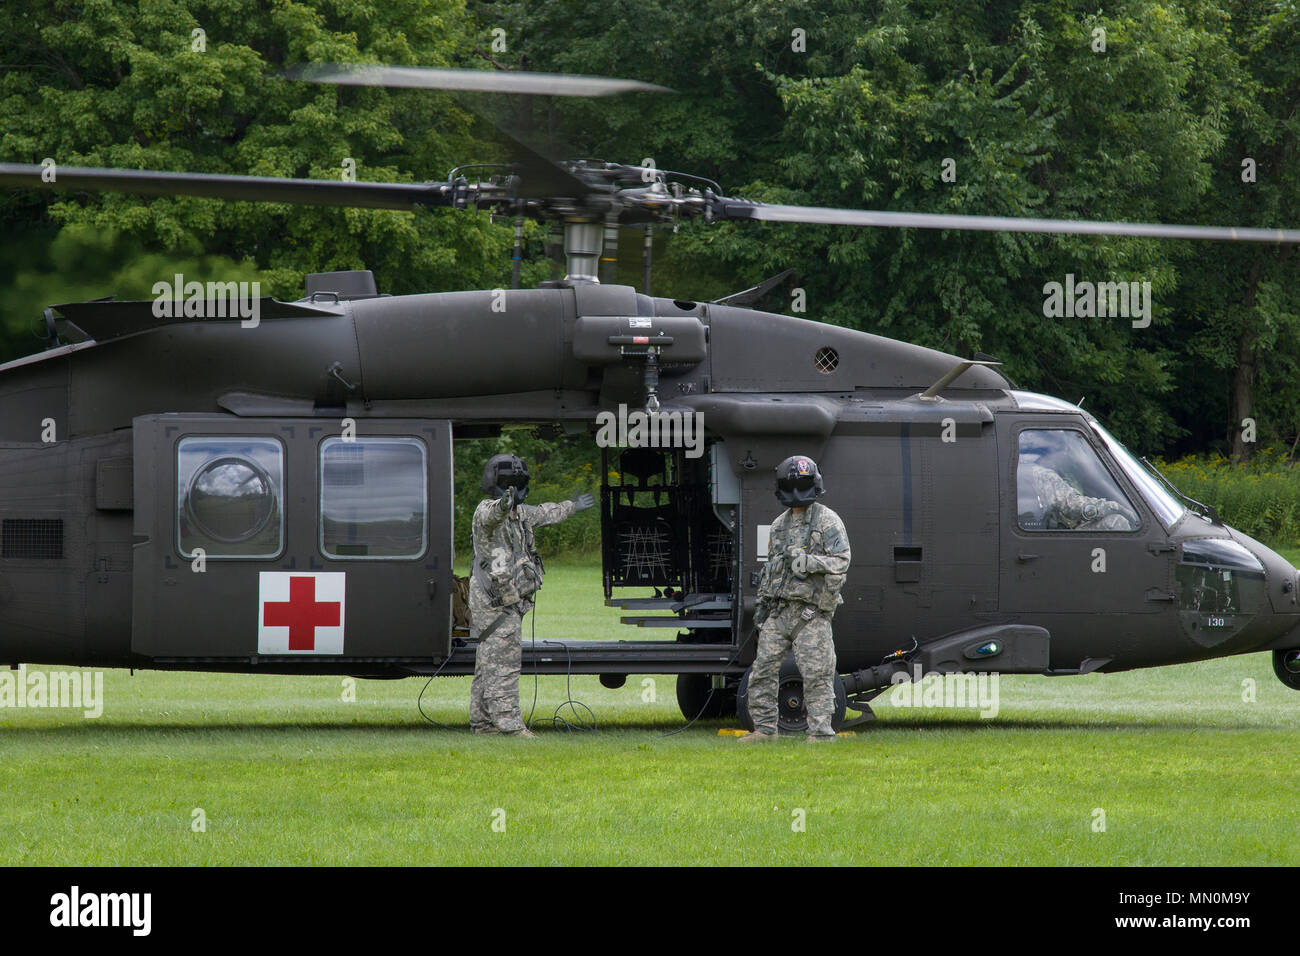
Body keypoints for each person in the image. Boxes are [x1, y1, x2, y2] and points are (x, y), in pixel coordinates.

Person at [468, 454, 594, 737]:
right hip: (496, 601)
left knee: (488, 661)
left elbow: (548, 512)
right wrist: (504, 503)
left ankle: (483, 723)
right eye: (508, 485)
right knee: (504, 664)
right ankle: (510, 725)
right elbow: (493, 514)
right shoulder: (485, 511)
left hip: (509, 600)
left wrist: (572, 506)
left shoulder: (522, 514)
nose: (515, 491)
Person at [739, 455, 851, 743]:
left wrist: (809, 563)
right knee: (762, 671)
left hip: (810, 613)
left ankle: (821, 732)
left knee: (817, 673)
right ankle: (764, 730)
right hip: (779, 611)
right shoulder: (779, 525)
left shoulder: (828, 521)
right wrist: (763, 610)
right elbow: (772, 569)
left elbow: (841, 562)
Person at [1021, 462, 1138, 531]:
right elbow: (1073, 507)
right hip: (1052, 539)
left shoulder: (1020, 471)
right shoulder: (1041, 474)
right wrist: (1114, 507)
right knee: (1116, 522)